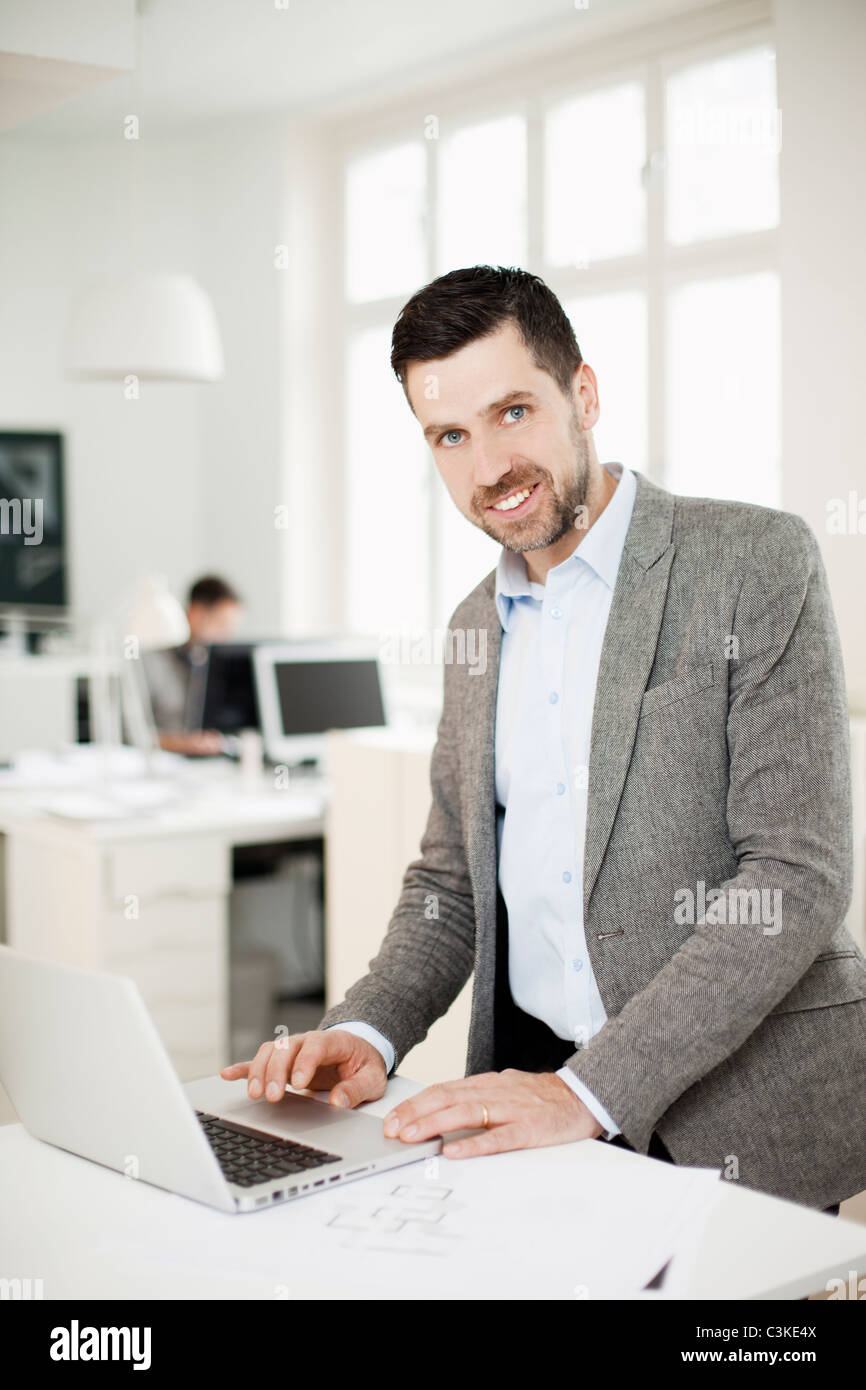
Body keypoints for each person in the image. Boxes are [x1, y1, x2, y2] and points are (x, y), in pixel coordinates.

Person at [222, 266, 866, 1214]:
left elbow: (794, 876)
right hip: (531, 1091)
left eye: (513, 411)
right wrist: (368, 1031)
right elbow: (448, 886)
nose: (489, 468)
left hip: (730, 1109)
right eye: (451, 435)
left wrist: (590, 1091)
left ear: (584, 394)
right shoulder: (472, 627)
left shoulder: (753, 563)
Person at [144, 574, 242, 755]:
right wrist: (181, 744)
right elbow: (129, 735)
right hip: (162, 763)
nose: (226, 637)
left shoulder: (221, 667)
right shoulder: (151, 662)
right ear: (195, 614)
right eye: (221, 625)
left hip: (213, 763)